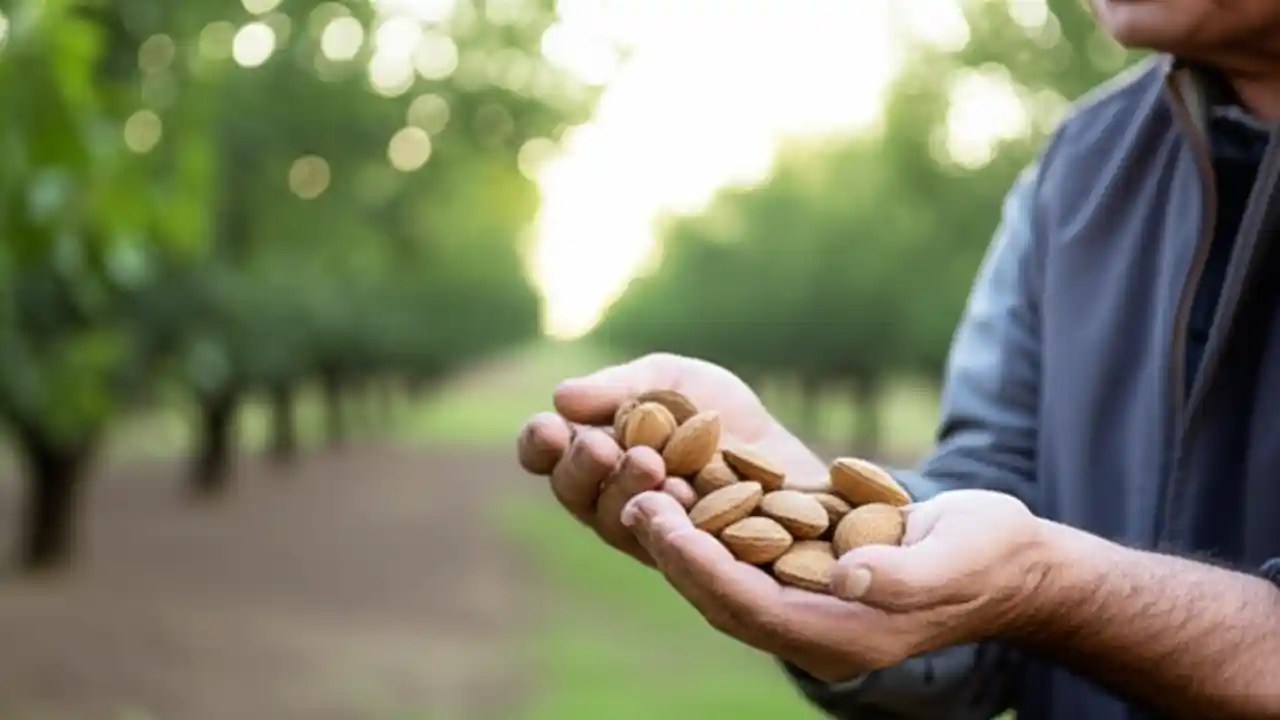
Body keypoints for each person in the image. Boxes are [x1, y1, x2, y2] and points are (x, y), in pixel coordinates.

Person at [515, 1, 1280, 717]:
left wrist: (1049, 585)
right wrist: (837, 544)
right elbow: (990, 540)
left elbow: (1028, 574)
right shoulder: (1079, 172)